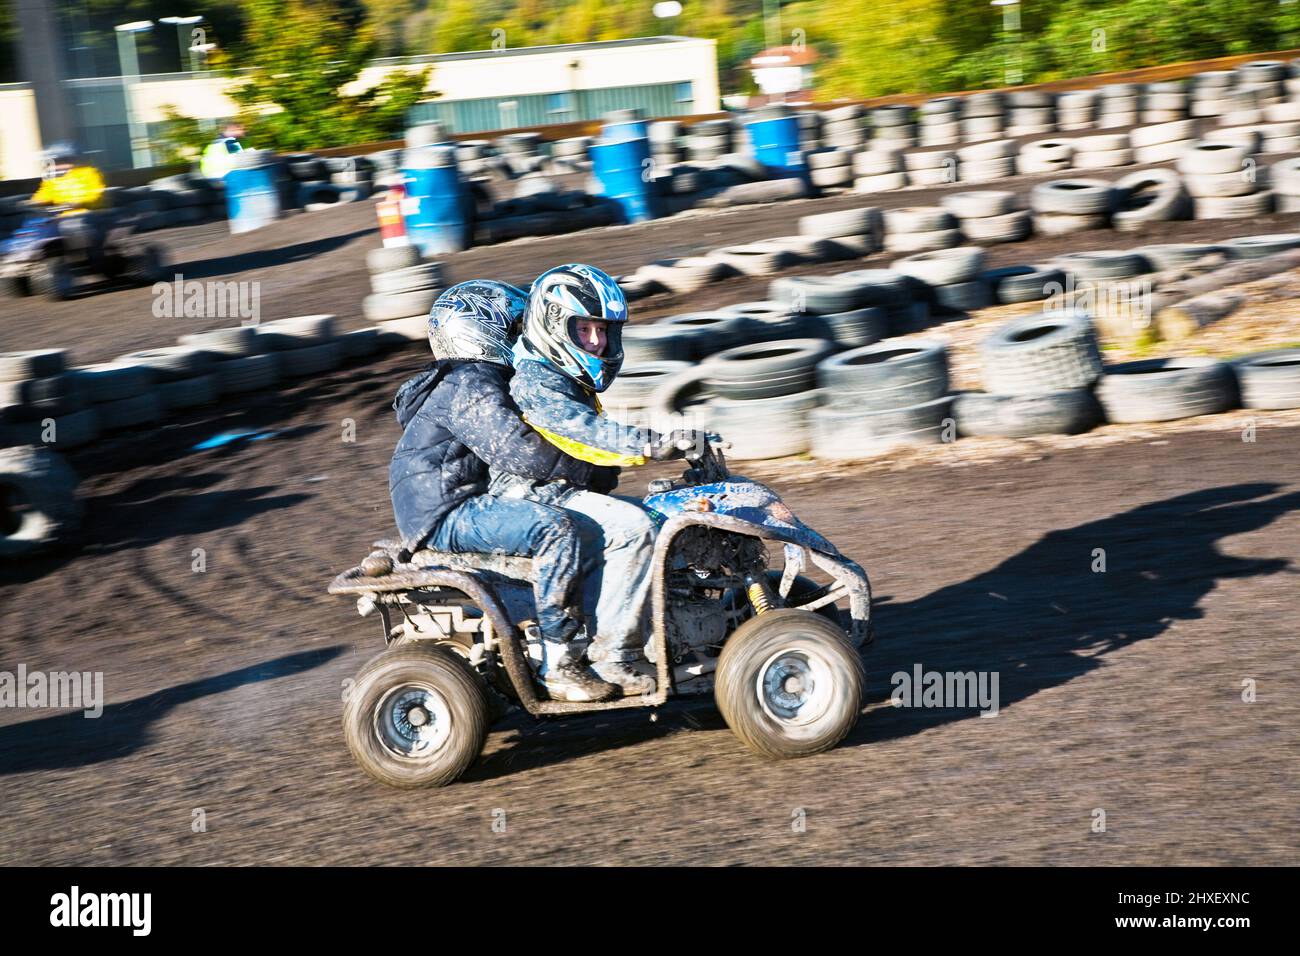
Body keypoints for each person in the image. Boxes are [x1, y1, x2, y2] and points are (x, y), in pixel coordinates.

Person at [389, 279, 618, 703]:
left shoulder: (480, 379)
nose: (528, 338)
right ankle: (562, 662)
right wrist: (589, 469)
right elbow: (519, 451)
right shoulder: (469, 382)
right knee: (555, 529)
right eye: (516, 328)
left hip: (455, 498)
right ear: (480, 330)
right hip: (446, 509)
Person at [491, 264, 700, 696]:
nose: (598, 342)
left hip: (552, 491)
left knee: (664, 516)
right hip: (527, 499)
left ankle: (658, 630)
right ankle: (614, 657)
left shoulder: (563, 378)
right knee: (633, 528)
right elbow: (582, 432)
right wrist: (651, 444)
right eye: (585, 330)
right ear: (554, 325)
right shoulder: (535, 380)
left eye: (604, 331)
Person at [29, 142, 110, 271]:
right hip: (63, 215)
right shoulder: (54, 178)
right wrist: (34, 201)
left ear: (72, 159)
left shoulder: (89, 173)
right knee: (38, 226)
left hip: (89, 213)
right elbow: (45, 193)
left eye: (60, 160)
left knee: (77, 226)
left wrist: (80, 202)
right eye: (56, 161)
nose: (57, 164)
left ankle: (91, 258)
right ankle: (42, 254)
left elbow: (95, 192)